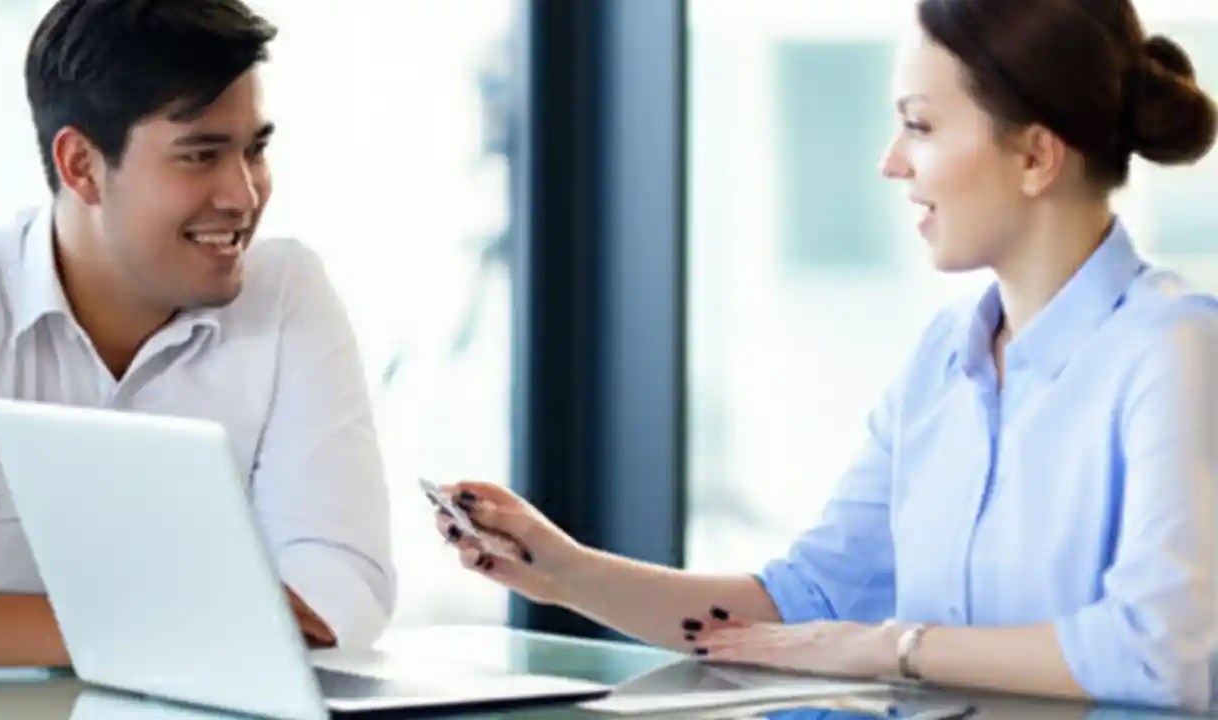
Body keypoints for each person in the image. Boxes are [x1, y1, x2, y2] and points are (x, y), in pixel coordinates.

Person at [434, 0, 1218, 710]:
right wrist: (567, 571)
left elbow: (1159, 652)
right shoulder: (945, 359)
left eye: (920, 125)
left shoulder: (1172, 348)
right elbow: (805, 607)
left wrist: (892, 648)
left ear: (1036, 157)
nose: (891, 162)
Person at [0, 0, 395, 665]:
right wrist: (151, 630)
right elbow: (262, 625)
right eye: (201, 155)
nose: (243, 195)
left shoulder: (288, 294)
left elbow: (345, 578)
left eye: (255, 150)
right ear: (82, 166)